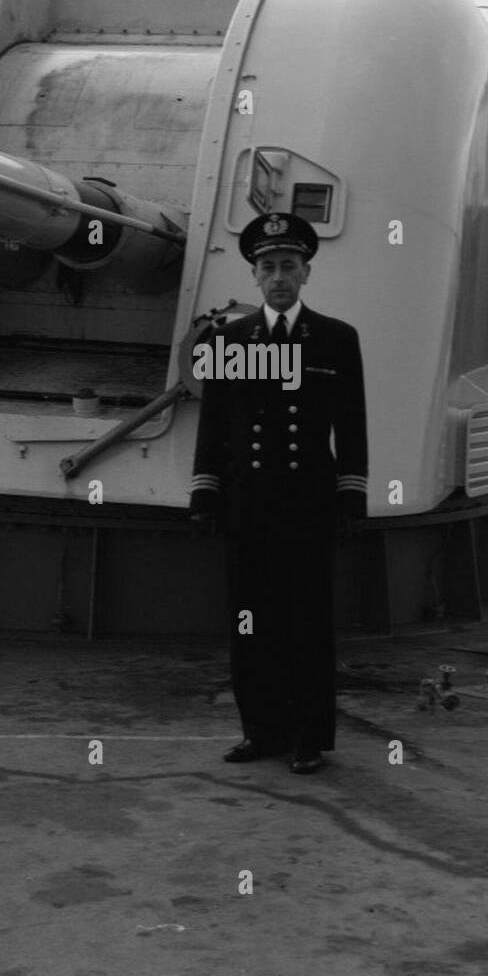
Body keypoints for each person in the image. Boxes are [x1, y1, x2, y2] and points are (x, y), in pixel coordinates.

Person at [189, 212, 367, 775]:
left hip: (307, 504)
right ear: (255, 277)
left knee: (307, 624)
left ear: (306, 273)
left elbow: (353, 426)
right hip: (248, 505)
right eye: (268, 267)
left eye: (289, 266)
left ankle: (308, 737)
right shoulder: (229, 340)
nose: (279, 276)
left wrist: (350, 497)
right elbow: (213, 424)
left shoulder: (336, 339)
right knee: (249, 622)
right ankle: (261, 732)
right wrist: (205, 492)